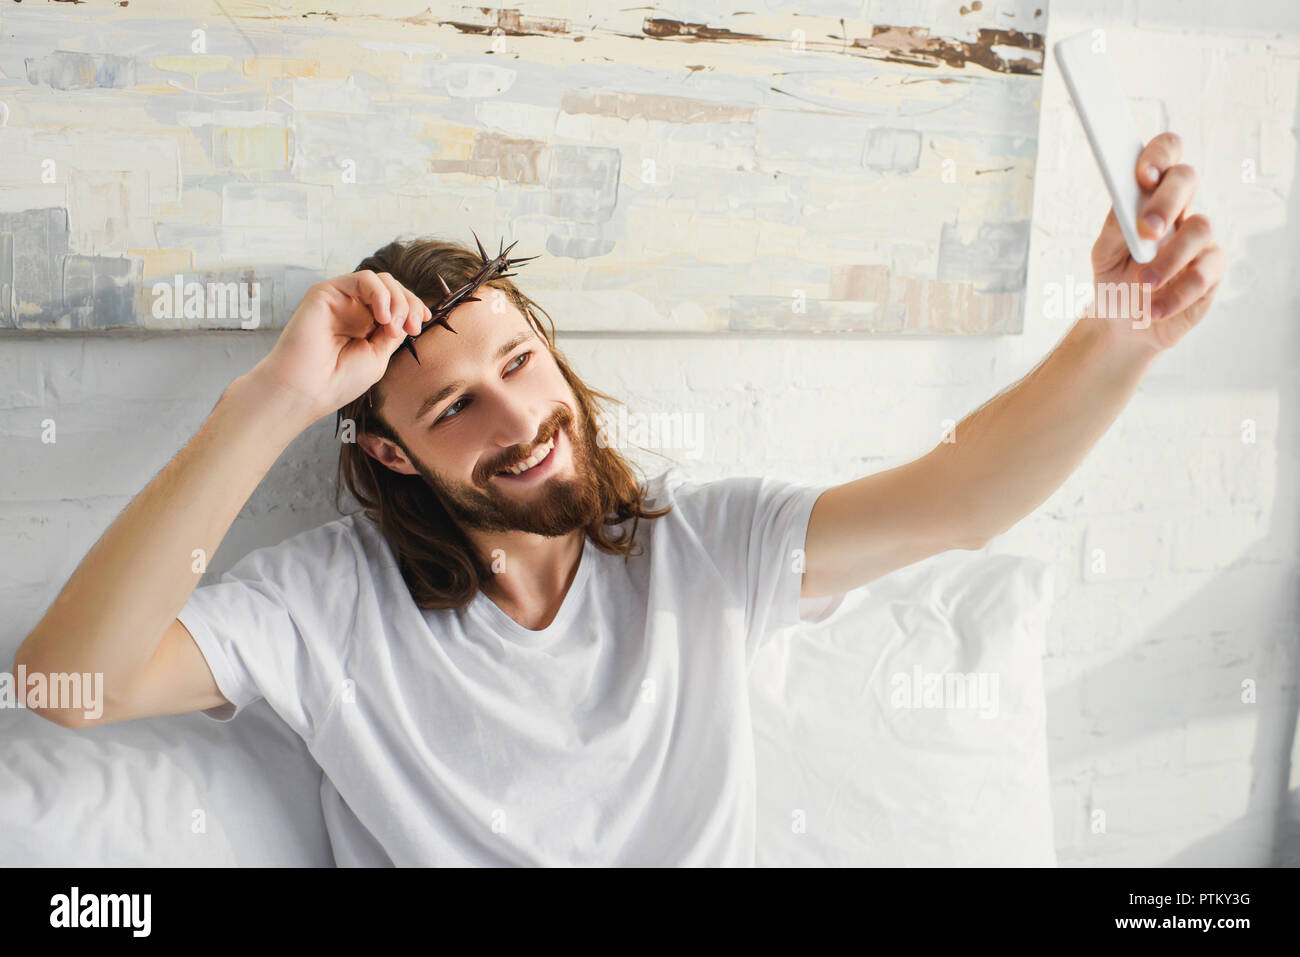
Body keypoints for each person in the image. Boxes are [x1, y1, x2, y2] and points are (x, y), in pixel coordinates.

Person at [14, 132, 1223, 866]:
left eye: (519, 365)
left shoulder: (705, 545)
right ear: (388, 456)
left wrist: (1119, 330)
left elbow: (959, 497)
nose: (518, 422)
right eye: (450, 412)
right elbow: (73, 687)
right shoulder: (329, 605)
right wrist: (275, 399)